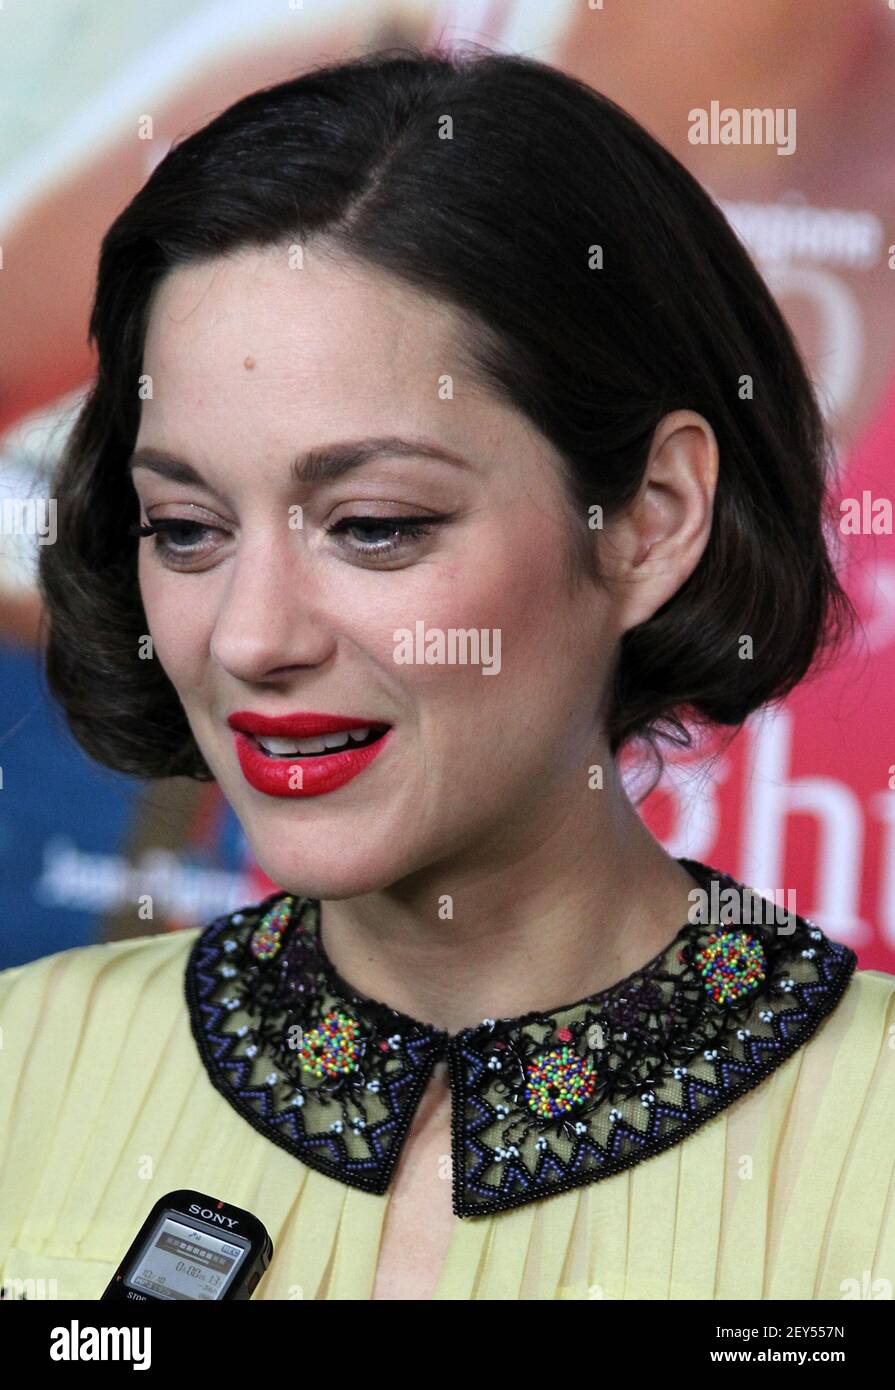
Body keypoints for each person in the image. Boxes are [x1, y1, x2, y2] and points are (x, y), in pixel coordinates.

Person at [1, 45, 892, 1302]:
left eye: (373, 524)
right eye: (188, 530)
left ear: (650, 514)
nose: (252, 637)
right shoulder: (23, 1070)